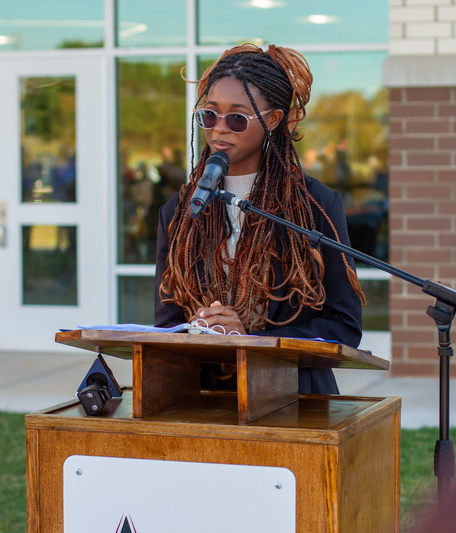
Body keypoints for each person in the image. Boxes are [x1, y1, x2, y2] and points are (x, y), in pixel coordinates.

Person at [154, 44, 365, 394]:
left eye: (237, 118)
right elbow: (165, 325)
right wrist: (199, 331)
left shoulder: (315, 206)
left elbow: (343, 326)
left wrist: (251, 339)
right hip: (204, 399)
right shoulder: (177, 213)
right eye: (209, 115)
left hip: (296, 399)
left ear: (272, 120)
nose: (219, 129)